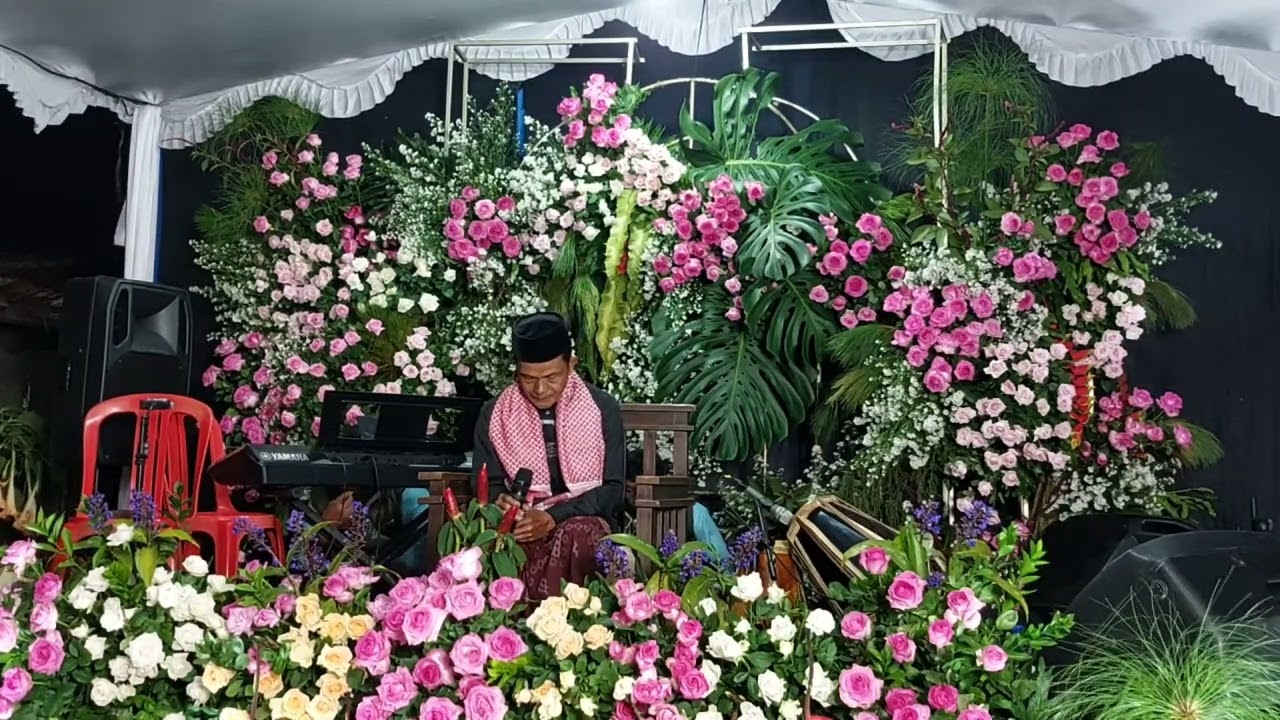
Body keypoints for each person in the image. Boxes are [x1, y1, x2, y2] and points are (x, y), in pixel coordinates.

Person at [471, 311, 625, 599]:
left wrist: (553, 517)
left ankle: (564, 622)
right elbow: (488, 484)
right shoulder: (495, 414)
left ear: (571, 364)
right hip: (523, 519)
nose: (540, 389)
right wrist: (500, 501)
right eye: (528, 379)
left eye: (551, 377)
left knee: (576, 534)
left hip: (585, 518)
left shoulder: (602, 407)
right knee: (500, 540)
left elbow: (613, 490)